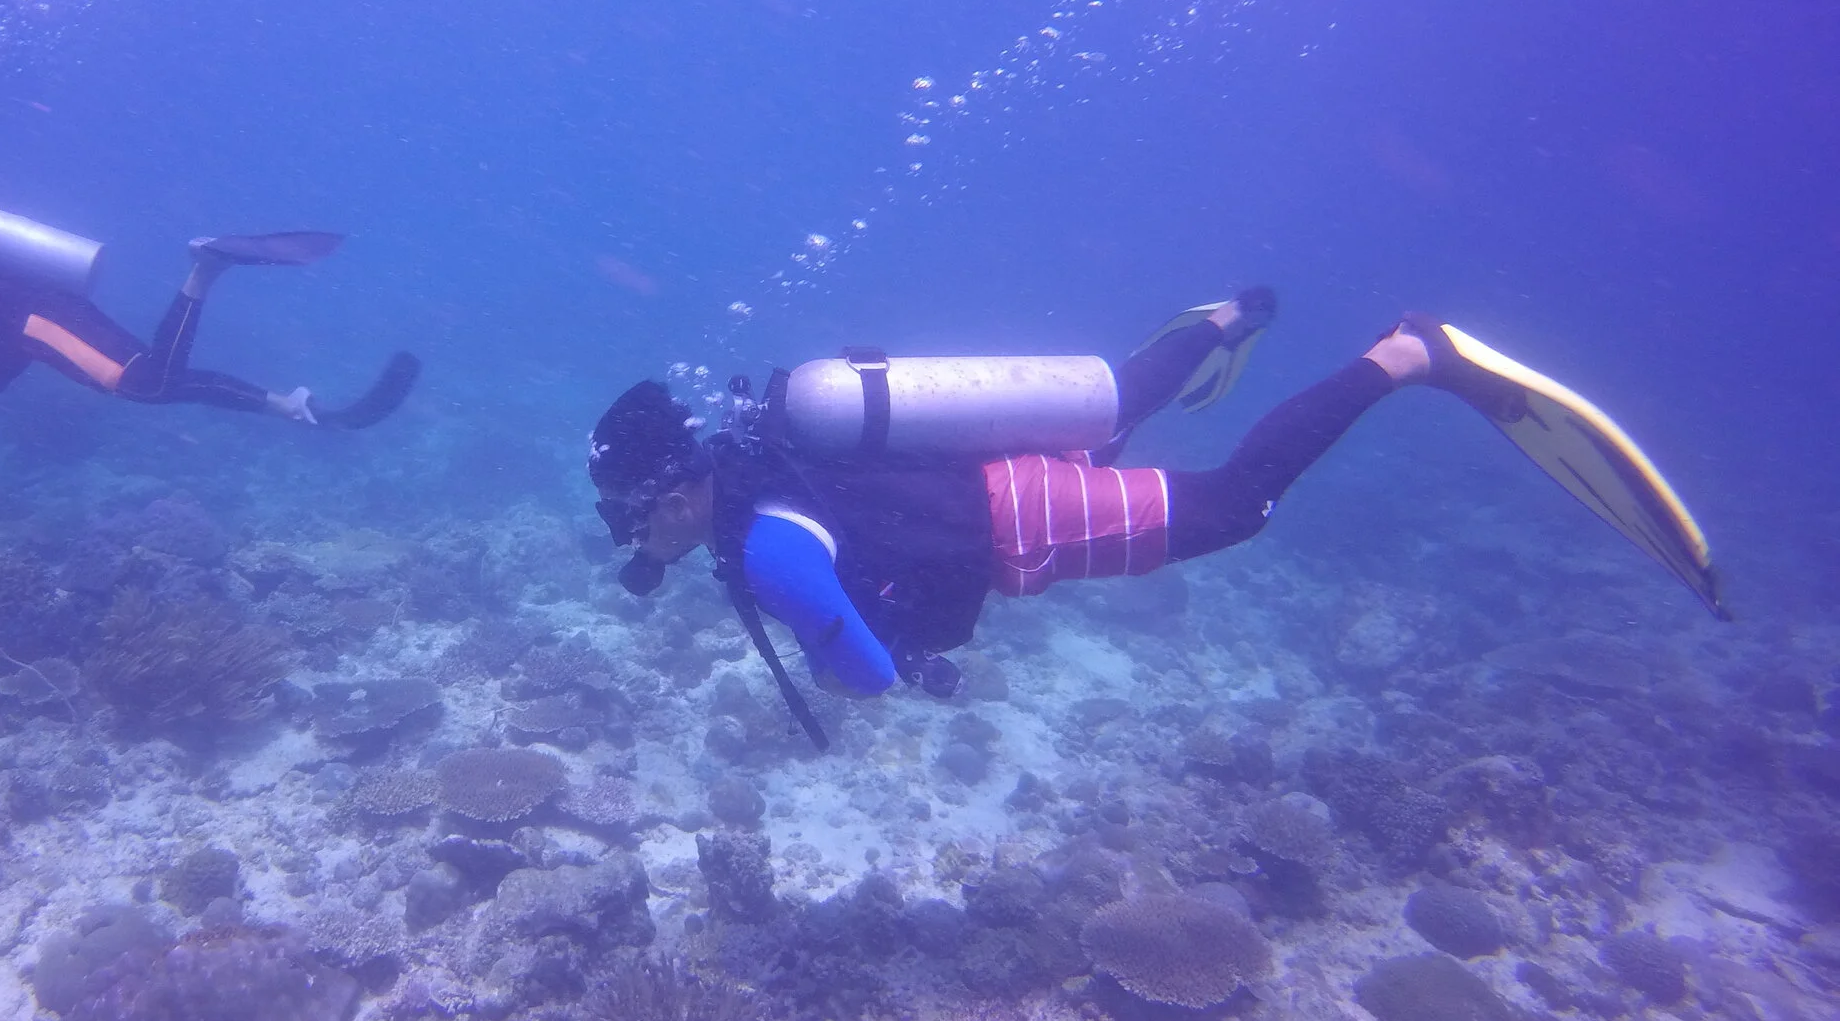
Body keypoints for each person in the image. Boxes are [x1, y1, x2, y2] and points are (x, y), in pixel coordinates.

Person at [586, 297, 1723, 713]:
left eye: (638, 520)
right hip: (989, 485)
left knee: (1234, 505)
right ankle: (1225, 317)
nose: (642, 546)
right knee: (1113, 408)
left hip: (1015, 521)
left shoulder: (765, 538)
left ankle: (1410, 355)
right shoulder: (761, 457)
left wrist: (870, 672)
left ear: (678, 487)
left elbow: (862, 669)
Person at [0, 206, 418, 455]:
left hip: (36, 319)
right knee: (163, 384)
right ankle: (296, 407)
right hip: (34, 315)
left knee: (147, 384)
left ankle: (207, 269)